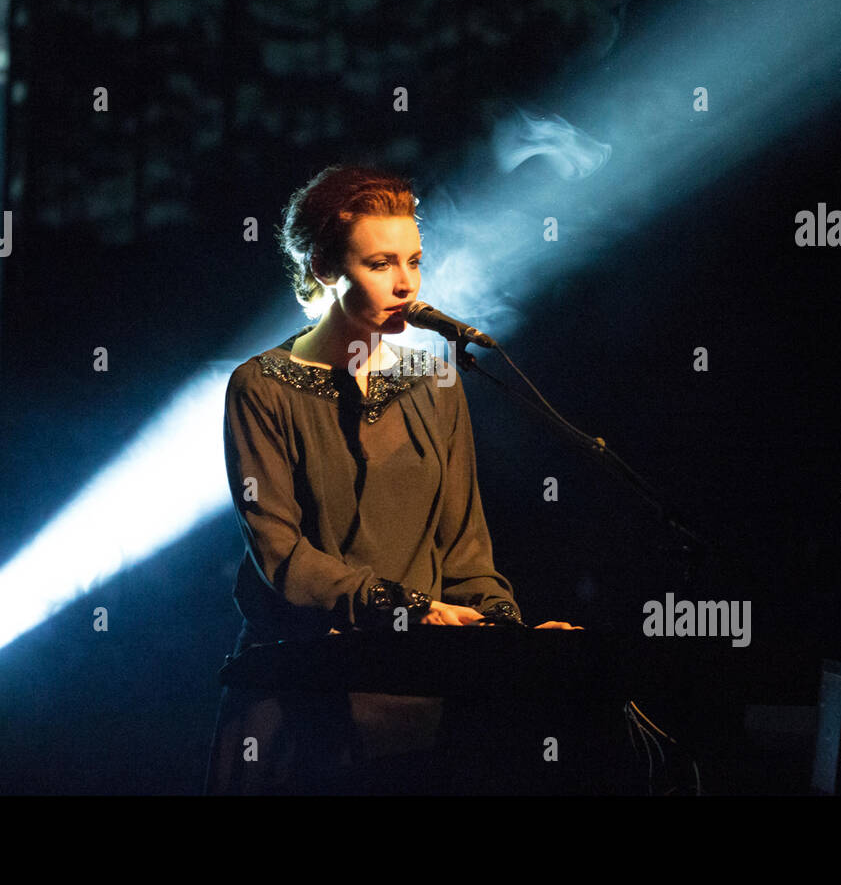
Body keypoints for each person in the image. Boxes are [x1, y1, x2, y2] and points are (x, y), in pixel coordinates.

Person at [205, 164, 579, 794]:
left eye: (415, 260)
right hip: (301, 694)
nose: (406, 283)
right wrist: (406, 609)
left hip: (422, 695)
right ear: (325, 269)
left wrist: (510, 636)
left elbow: (465, 550)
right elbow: (283, 556)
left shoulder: (437, 381)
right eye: (381, 264)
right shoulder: (262, 386)